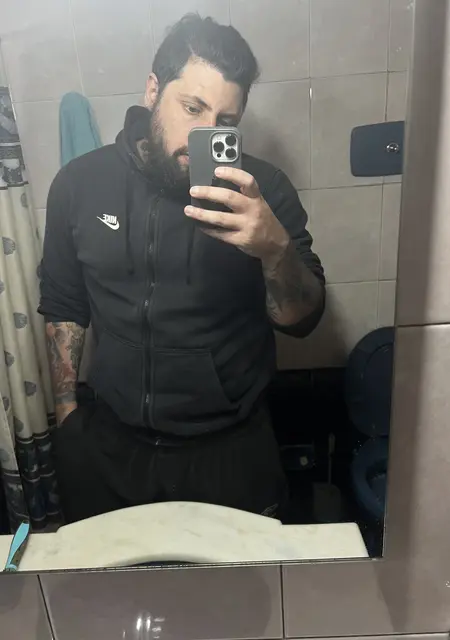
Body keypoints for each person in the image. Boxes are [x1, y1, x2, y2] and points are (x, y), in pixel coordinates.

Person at [39, 14, 325, 524]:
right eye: (192, 108)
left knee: (243, 580)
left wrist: (274, 249)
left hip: (229, 452)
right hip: (110, 447)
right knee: (114, 579)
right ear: (153, 90)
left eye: (225, 120)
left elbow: (303, 320)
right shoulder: (80, 184)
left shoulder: (263, 192)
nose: (205, 132)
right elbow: (65, 303)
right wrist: (67, 417)